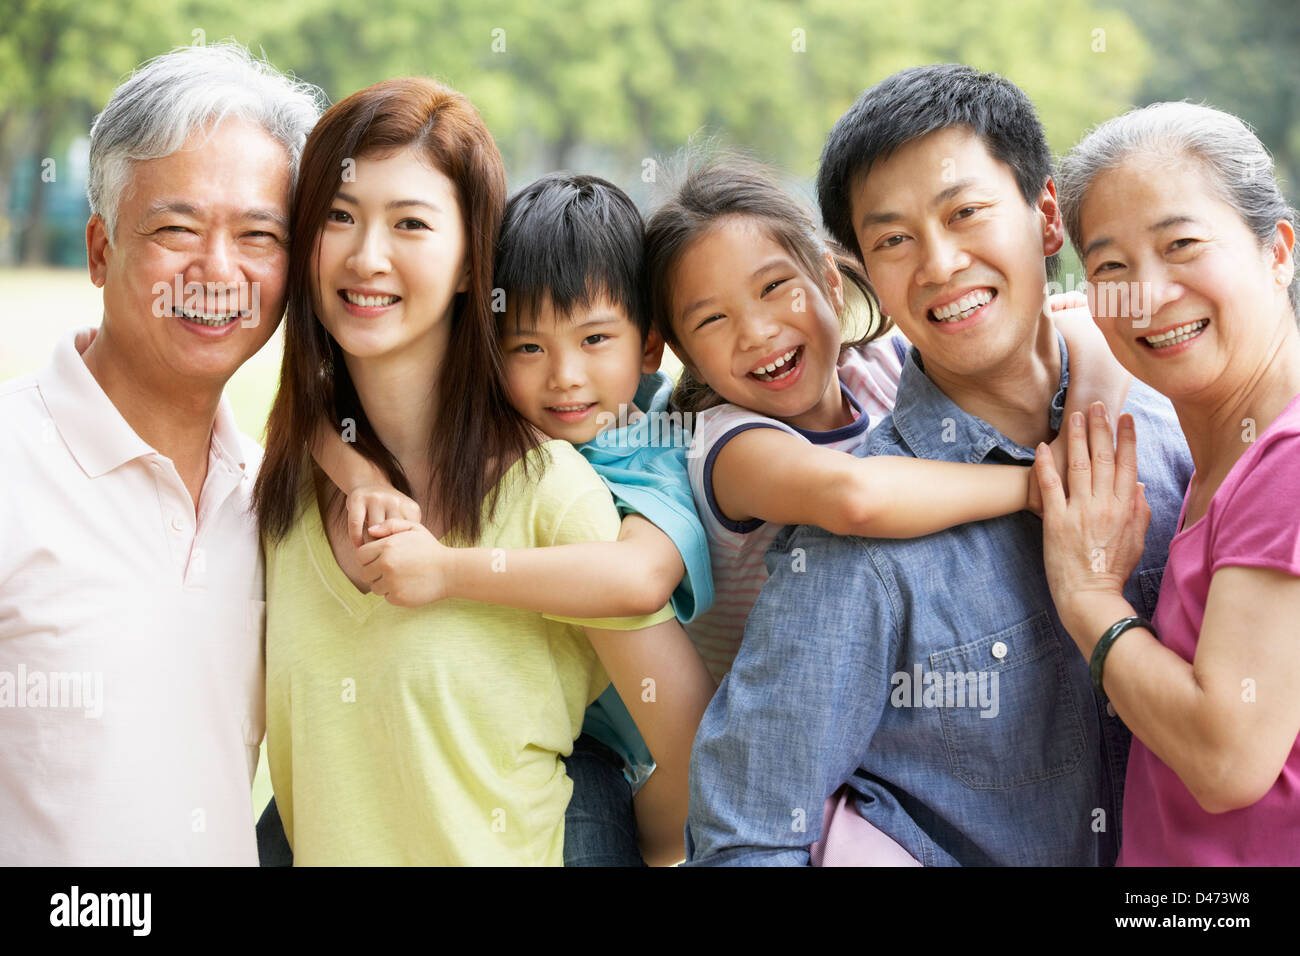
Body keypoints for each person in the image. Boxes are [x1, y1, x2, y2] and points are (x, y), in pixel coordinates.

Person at [685, 63, 1194, 866]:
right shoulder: (853, 551)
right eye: (893, 240)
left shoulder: (1172, 426)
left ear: (1047, 215)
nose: (941, 263)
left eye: (966, 213)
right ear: (866, 273)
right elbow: (743, 841)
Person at [253, 78, 694, 865]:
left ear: (469, 264)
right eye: (338, 216)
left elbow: (691, 743)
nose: (366, 255)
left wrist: (620, 845)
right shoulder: (285, 484)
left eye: (411, 223)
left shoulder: (550, 491)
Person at [0, 42, 321, 865]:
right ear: (101, 250)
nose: (217, 271)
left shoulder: (276, 503)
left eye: (259, 235)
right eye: (176, 229)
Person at [643, 154, 1128, 683]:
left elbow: (1081, 321)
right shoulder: (728, 445)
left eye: (775, 288)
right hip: (793, 707)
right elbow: (855, 498)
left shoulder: (879, 364)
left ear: (830, 282)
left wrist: (1080, 443)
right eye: (712, 319)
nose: (756, 332)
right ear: (684, 353)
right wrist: (1039, 484)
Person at [1036, 101, 1300, 865]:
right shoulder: (1220, 447)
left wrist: (1090, 602)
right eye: (1111, 267)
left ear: (1277, 249)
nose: (1147, 296)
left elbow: (1226, 760)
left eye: (1182, 244)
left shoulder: (1284, 460)